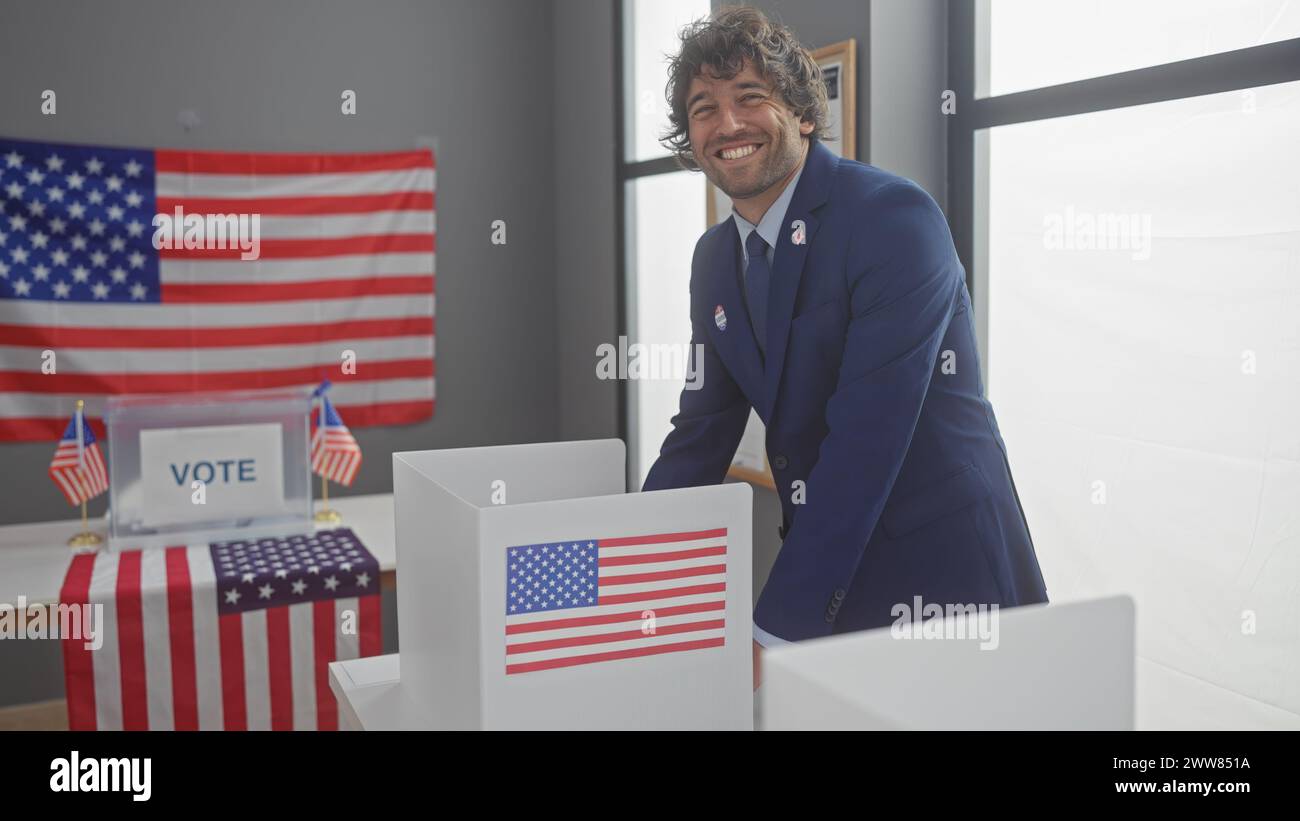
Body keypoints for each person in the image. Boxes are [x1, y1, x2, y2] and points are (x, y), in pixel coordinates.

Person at [640, 7, 1049, 689]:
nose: (728, 123)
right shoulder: (714, 258)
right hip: (833, 565)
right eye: (704, 107)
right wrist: (623, 567)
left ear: (802, 113)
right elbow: (699, 433)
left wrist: (774, 629)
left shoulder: (893, 219)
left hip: (946, 576)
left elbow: (865, 445)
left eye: (750, 97)